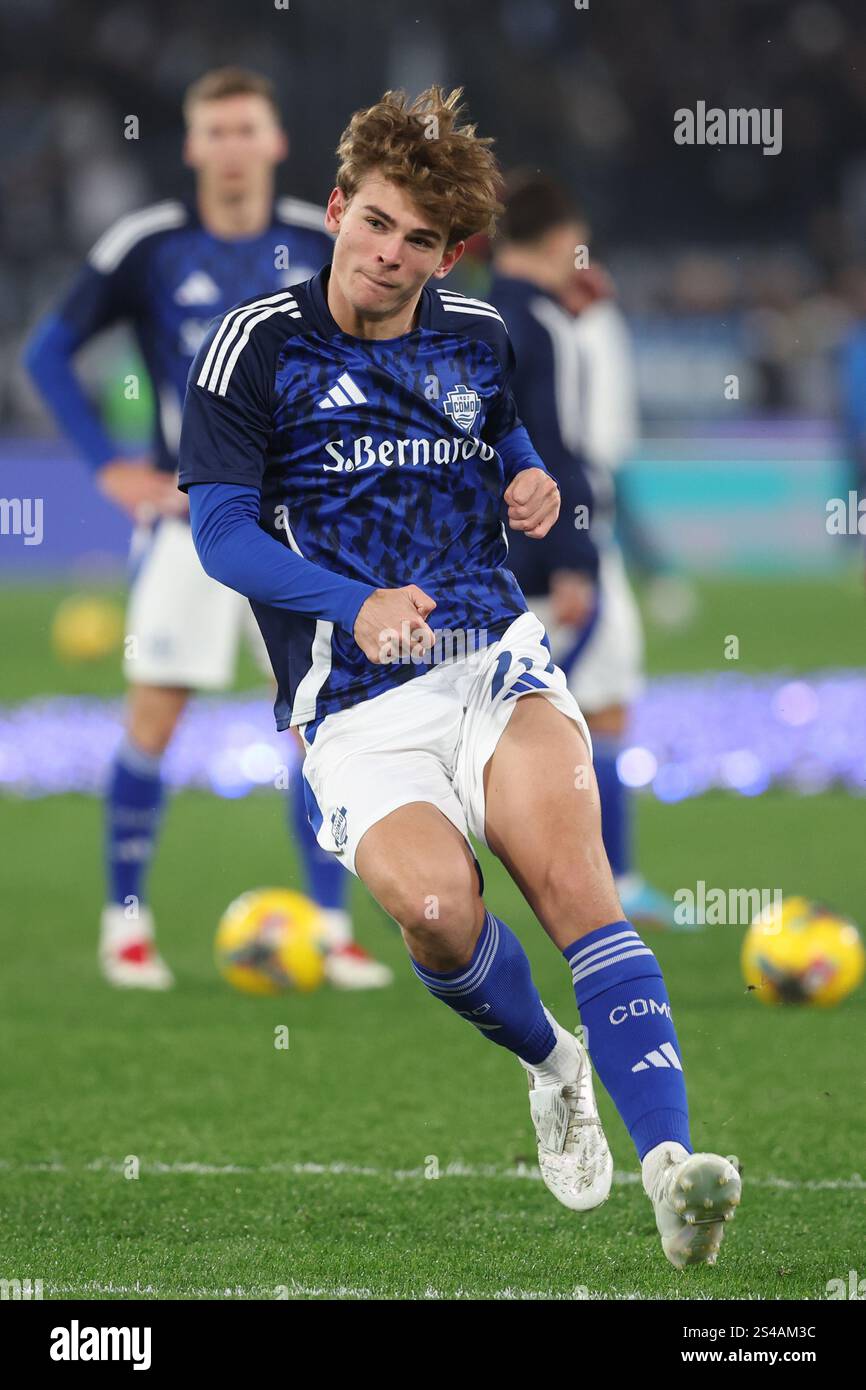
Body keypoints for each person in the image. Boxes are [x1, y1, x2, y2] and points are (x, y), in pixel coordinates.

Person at [178, 86, 741, 1268]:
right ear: (335, 208)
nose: (390, 255)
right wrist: (354, 605)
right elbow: (223, 538)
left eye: (420, 240)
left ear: (450, 251)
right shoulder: (256, 348)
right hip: (349, 707)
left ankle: (670, 1173)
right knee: (434, 915)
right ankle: (554, 1065)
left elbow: (515, 447)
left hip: (490, 660)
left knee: (579, 889)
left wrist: (532, 488)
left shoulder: (478, 335)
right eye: (375, 223)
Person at [24, 66, 393, 992]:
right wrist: (109, 464)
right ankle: (127, 927)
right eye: (215, 131)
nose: (232, 147)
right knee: (157, 711)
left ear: (274, 144)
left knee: (318, 724)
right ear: (192, 148)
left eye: (247, 130)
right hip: (192, 523)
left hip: (300, 527)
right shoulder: (148, 245)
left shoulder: (326, 238)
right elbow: (48, 351)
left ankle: (328, 925)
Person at [489, 173, 679, 928]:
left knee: (513, 709)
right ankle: (609, 881)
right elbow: (557, 448)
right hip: (558, 544)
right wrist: (573, 556)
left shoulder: (475, 315)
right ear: (565, 241)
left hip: (497, 546)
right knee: (594, 708)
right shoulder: (546, 321)